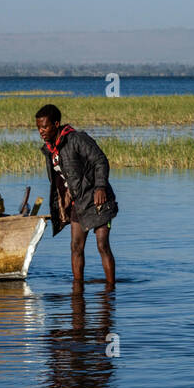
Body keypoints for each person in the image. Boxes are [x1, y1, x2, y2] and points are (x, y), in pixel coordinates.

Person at [35, 104, 116, 288]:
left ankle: (111, 292)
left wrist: (101, 187)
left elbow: (100, 160)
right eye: (39, 127)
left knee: (102, 246)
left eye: (45, 127)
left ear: (56, 124)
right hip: (77, 204)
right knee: (75, 247)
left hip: (98, 200)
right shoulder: (49, 149)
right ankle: (77, 290)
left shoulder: (77, 139)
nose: (41, 131)